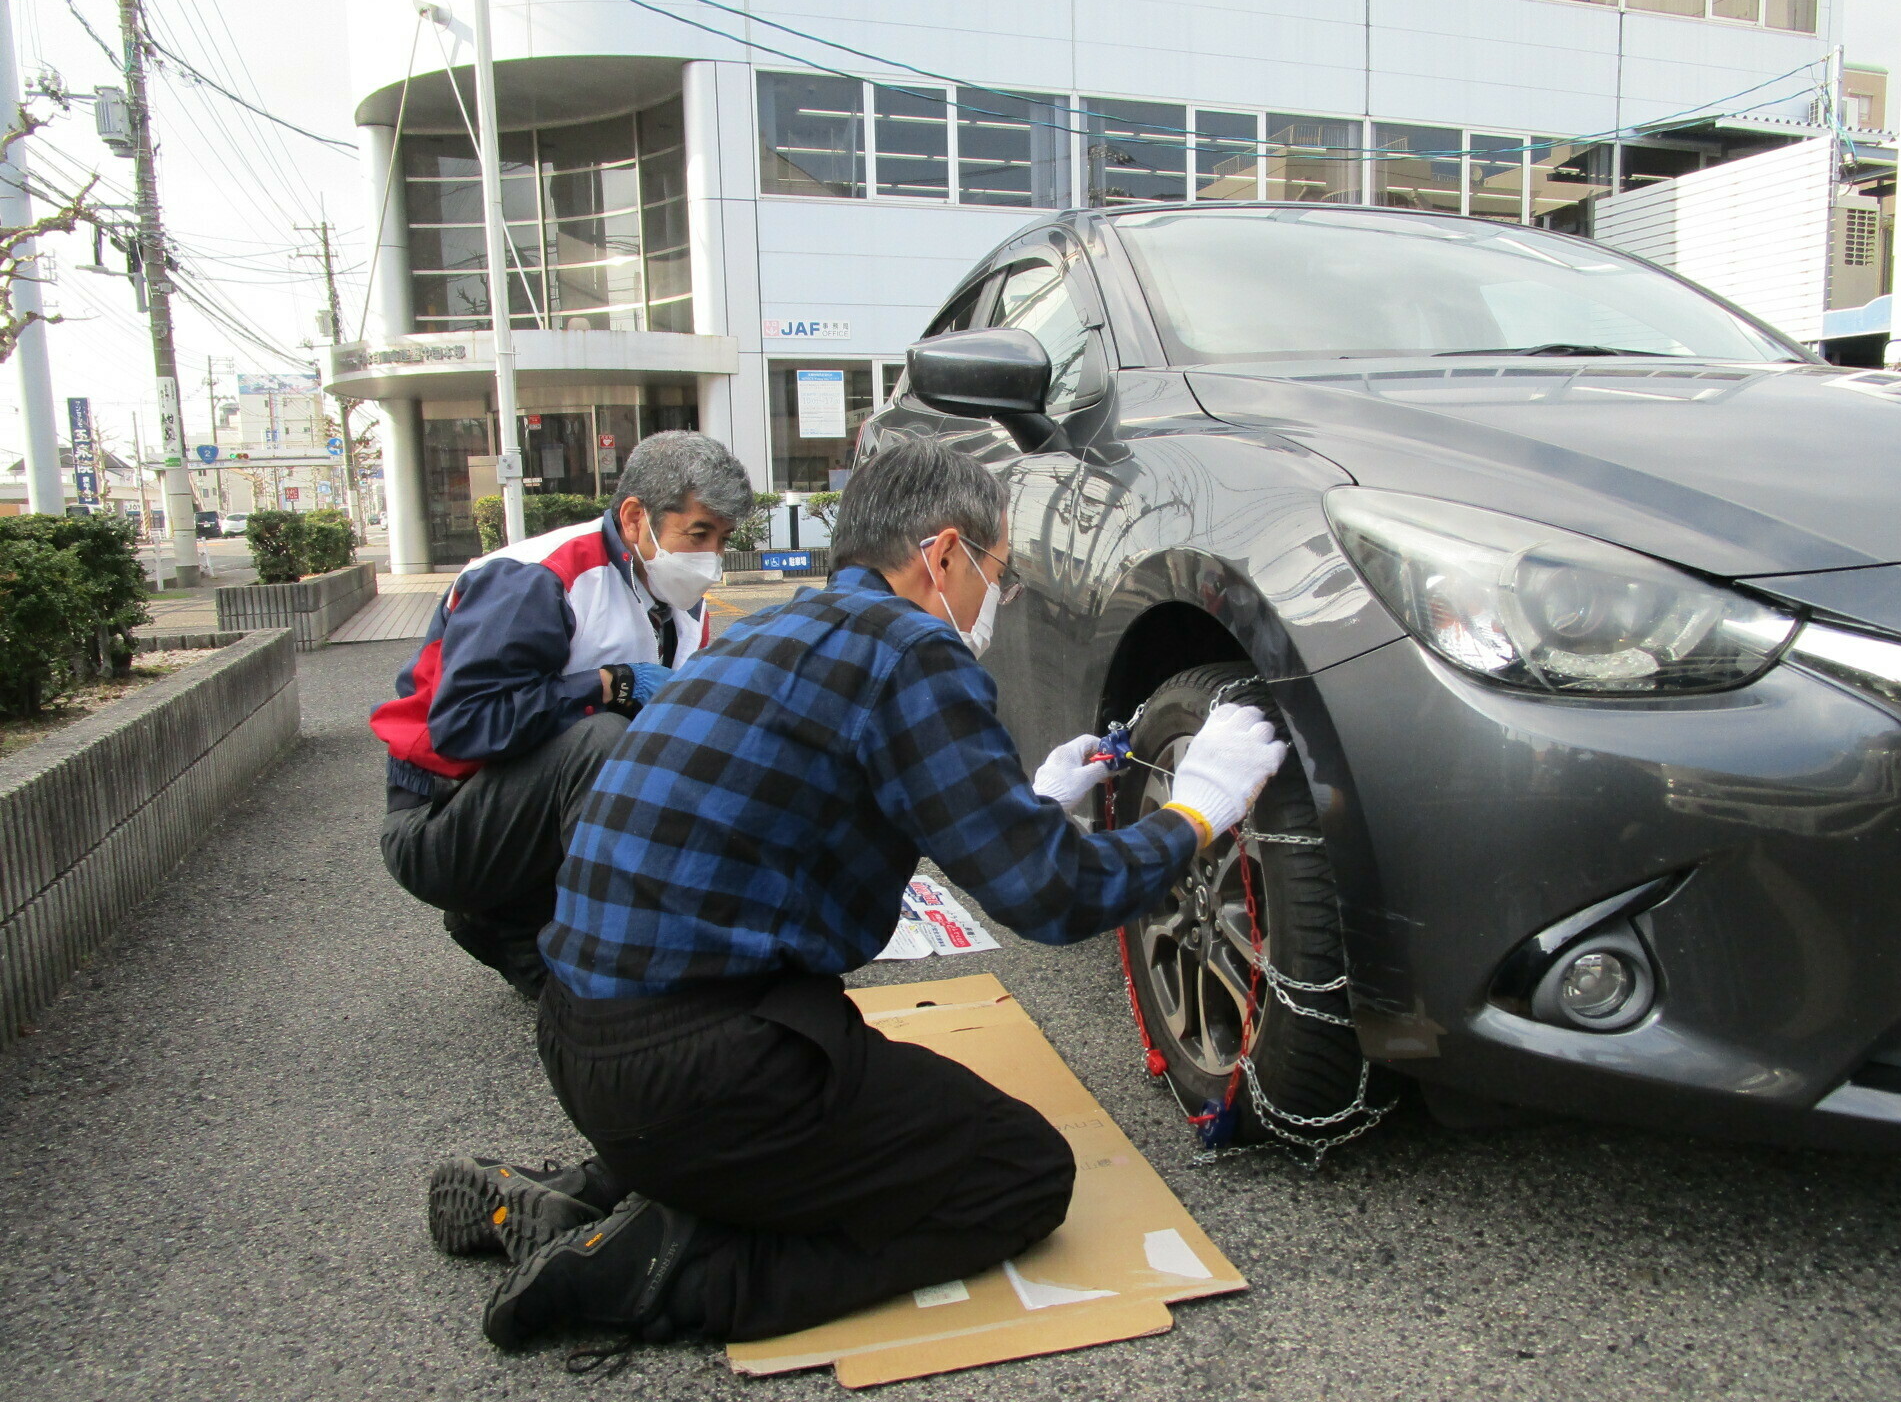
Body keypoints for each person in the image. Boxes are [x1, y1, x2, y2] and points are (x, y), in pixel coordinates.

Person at [429, 437, 1287, 1350]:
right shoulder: (912, 650)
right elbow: (1052, 900)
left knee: (829, 1105)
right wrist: (1199, 809)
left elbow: (815, 816)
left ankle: (590, 1198)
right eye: (1001, 570)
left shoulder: (766, 632)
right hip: (702, 1074)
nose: (1002, 597)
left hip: (583, 1041)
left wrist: (1027, 802)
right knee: (1017, 1175)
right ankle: (652, 1273)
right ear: (945, 553)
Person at [372, 431, 750, 1000]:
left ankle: (516, 922)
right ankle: (611, 956)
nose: (708, 559)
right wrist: (610, 684)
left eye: (721, 540)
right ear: (633, 517)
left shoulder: (679, 600)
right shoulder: (536, 578)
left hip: (518, 826)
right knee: (603, 740)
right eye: (697, 534)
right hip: (440, 822)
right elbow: (464, 725)